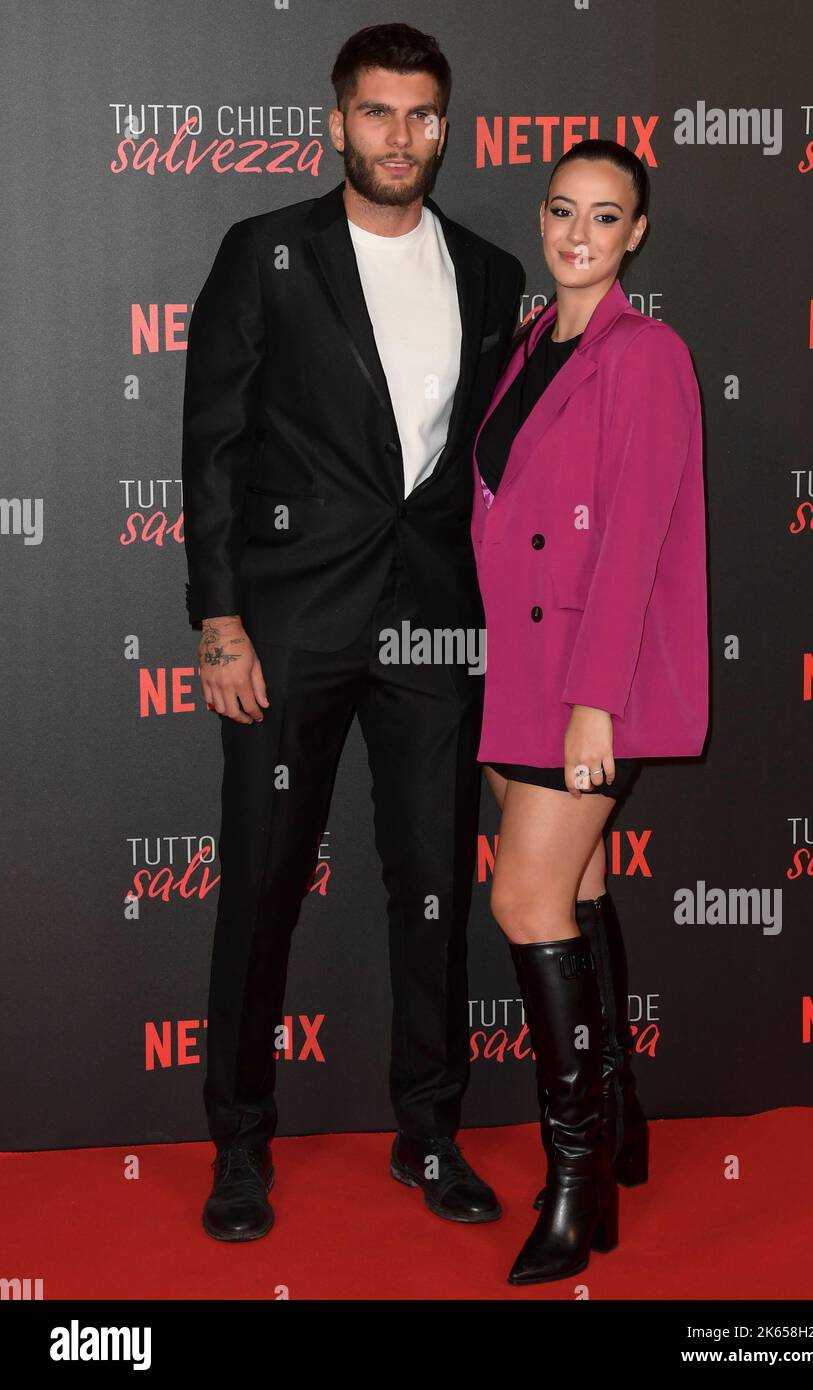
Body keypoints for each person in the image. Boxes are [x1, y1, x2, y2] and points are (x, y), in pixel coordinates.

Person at [181, 23, 524, 1241]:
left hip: (433, 628)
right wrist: (218, 621)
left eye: (420, 114)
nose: (398, 135)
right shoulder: (265, 252)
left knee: (432, 881)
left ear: (446, 125)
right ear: (336, 123)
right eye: (375, 112)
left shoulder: (490, 273)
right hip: (289, 625)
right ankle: (238, 1144)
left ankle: (428, 1131)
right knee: (263, 884)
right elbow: (213, 446)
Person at [470, 139, 709, 1284]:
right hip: (521, 671)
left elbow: (629, 548)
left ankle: (572, 1183)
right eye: (563, 209)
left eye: (604, 216)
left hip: (584, 682)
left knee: (522, 896)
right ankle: (619, 1126)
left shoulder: (647, 352)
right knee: (576, 887)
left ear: (635, 234)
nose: (577, 233)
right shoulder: (528, 346)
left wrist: (591, 706)